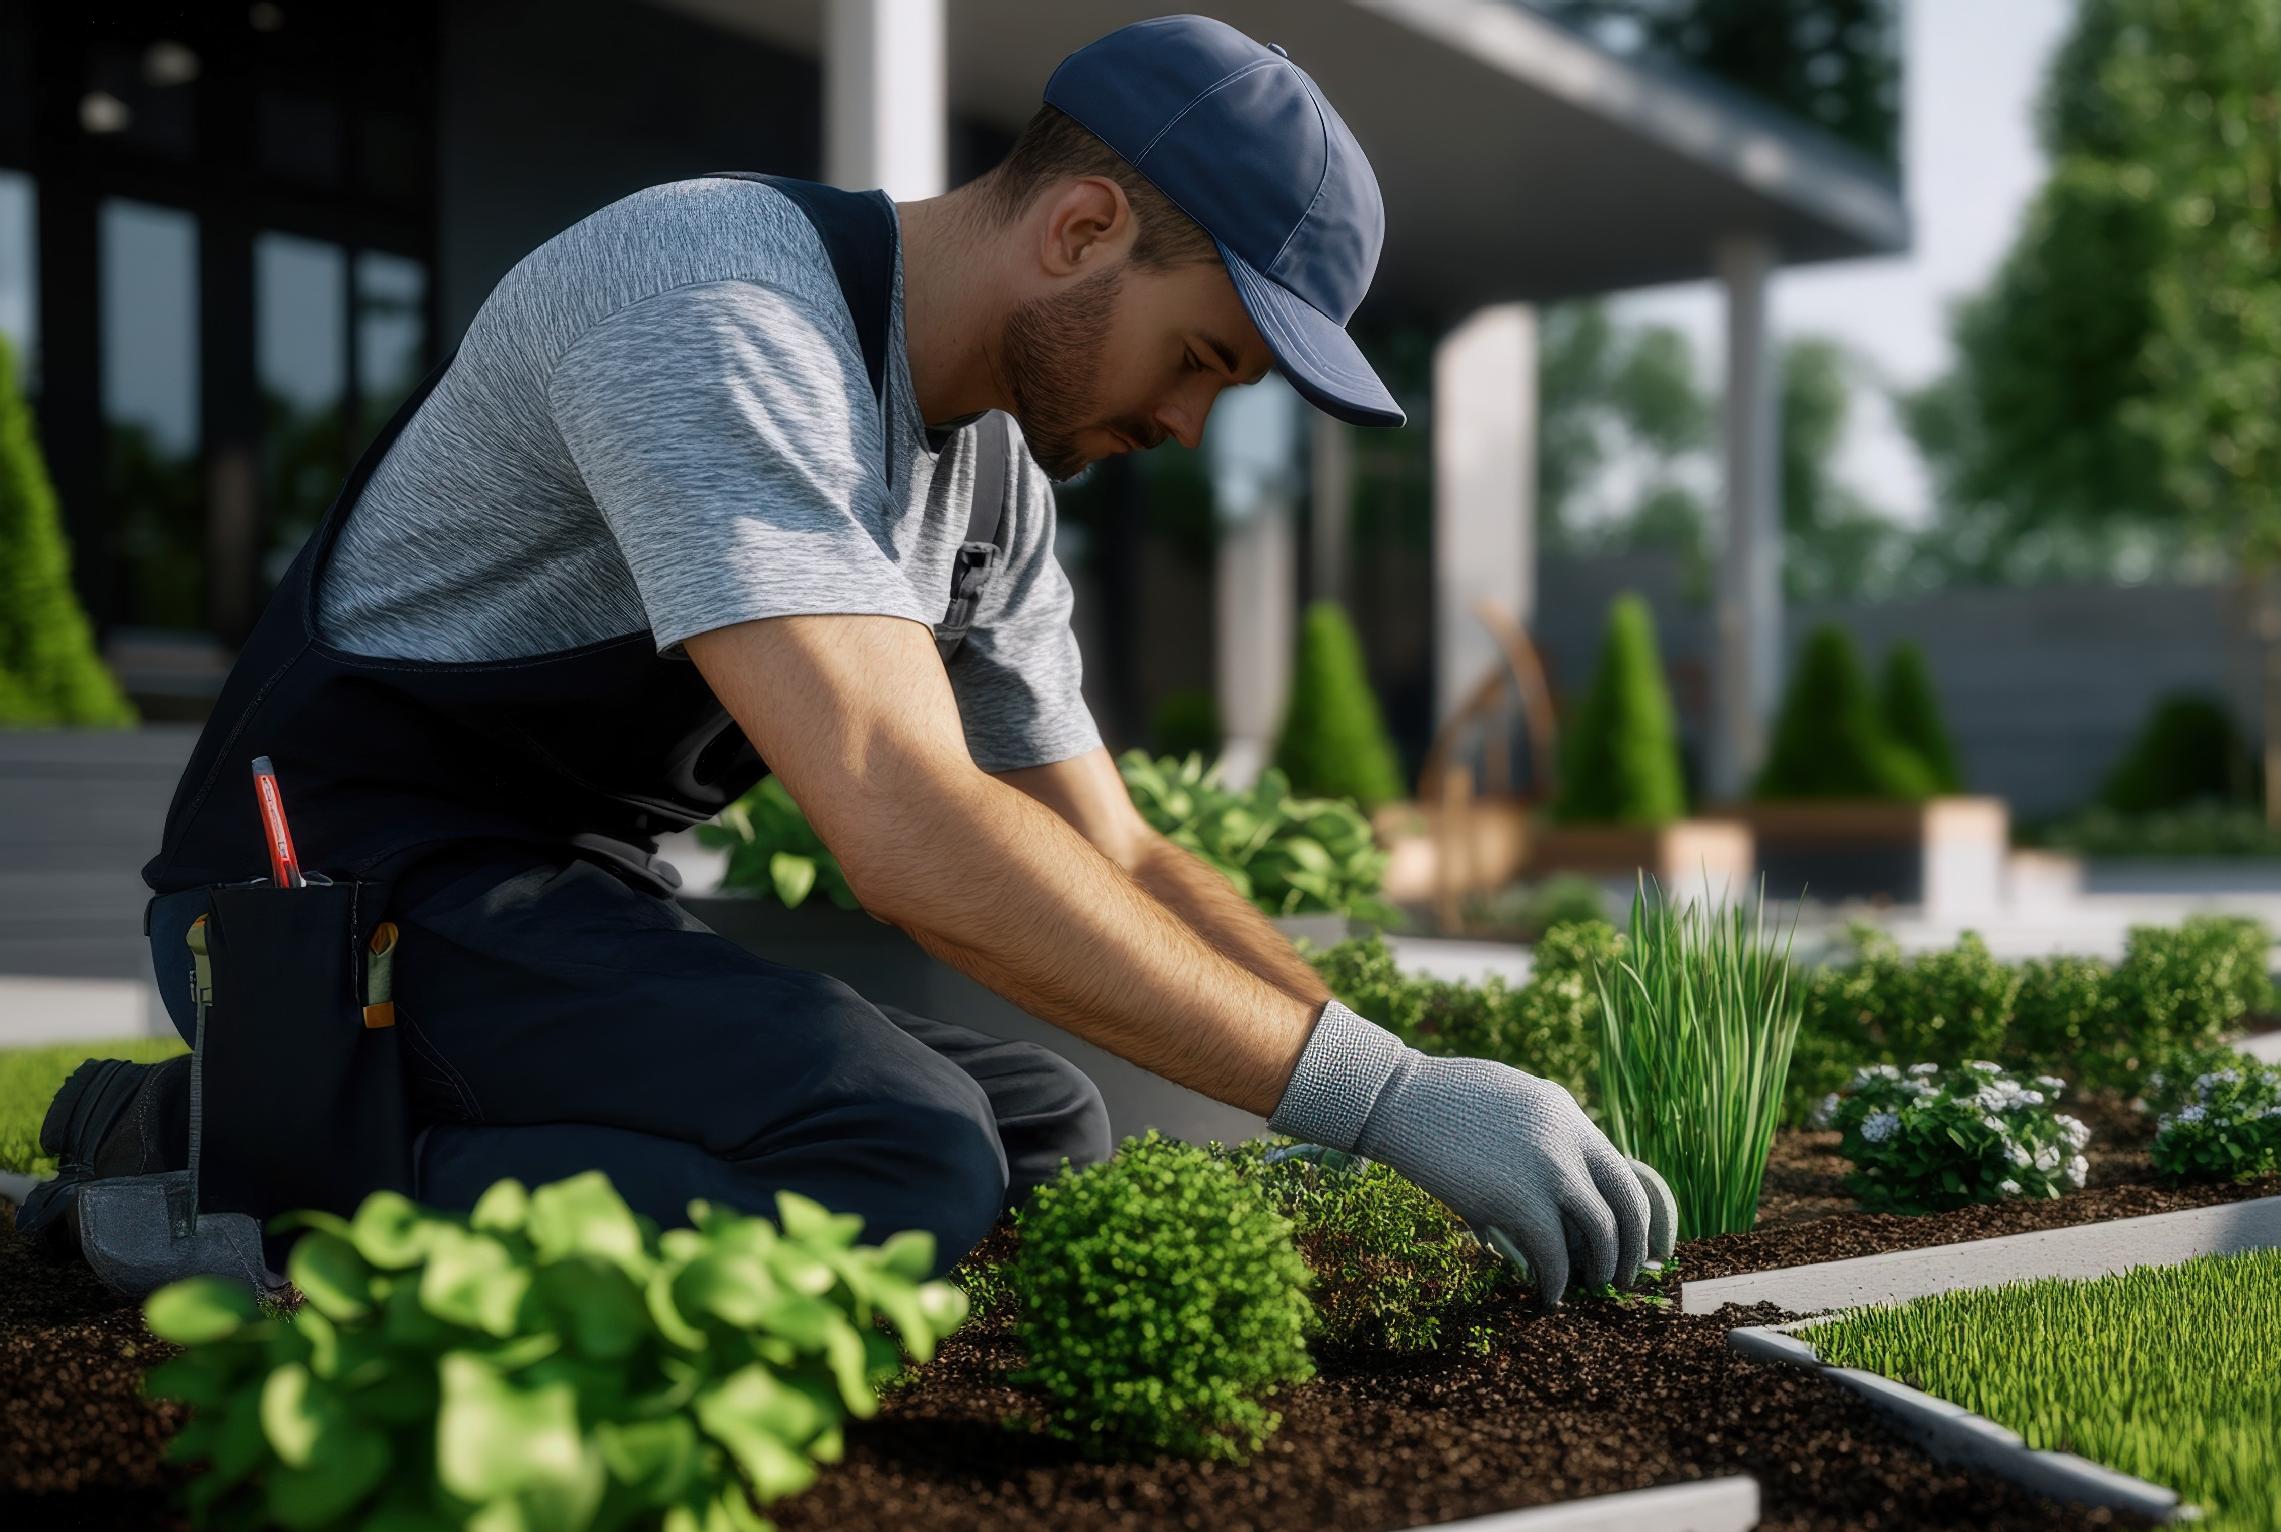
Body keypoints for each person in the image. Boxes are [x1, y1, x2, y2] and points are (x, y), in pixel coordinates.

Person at [135, 15, 1654, 1304]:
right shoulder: (713, 304)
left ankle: (316, 1146)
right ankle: (216, 1163)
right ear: (1081, 230)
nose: (1188, 429)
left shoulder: (994, 486)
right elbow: (906, 822)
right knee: (899, 1152)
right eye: (1201, 358)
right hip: (315, 916)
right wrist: (1375, 1101)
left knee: (1042, 1122)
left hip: (542, 904)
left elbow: (1112, 846)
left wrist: (1403, 1076)